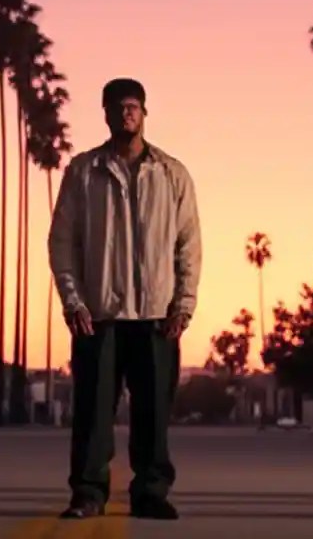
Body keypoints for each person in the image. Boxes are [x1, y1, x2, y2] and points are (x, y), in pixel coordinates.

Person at [48, 78, 202, 521]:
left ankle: (151, 491)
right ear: (106, 114)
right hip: (98, 315)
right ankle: (88, 493)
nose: (125, 115)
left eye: (133, 107)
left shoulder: (171, 172)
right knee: (93, 412)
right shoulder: (83, 171)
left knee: (153, 412)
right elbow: (63, 240)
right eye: (117, 109)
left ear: (144, 112)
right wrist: (73, 300)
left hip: (157, 316)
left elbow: (187, 243)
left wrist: (183, 304)